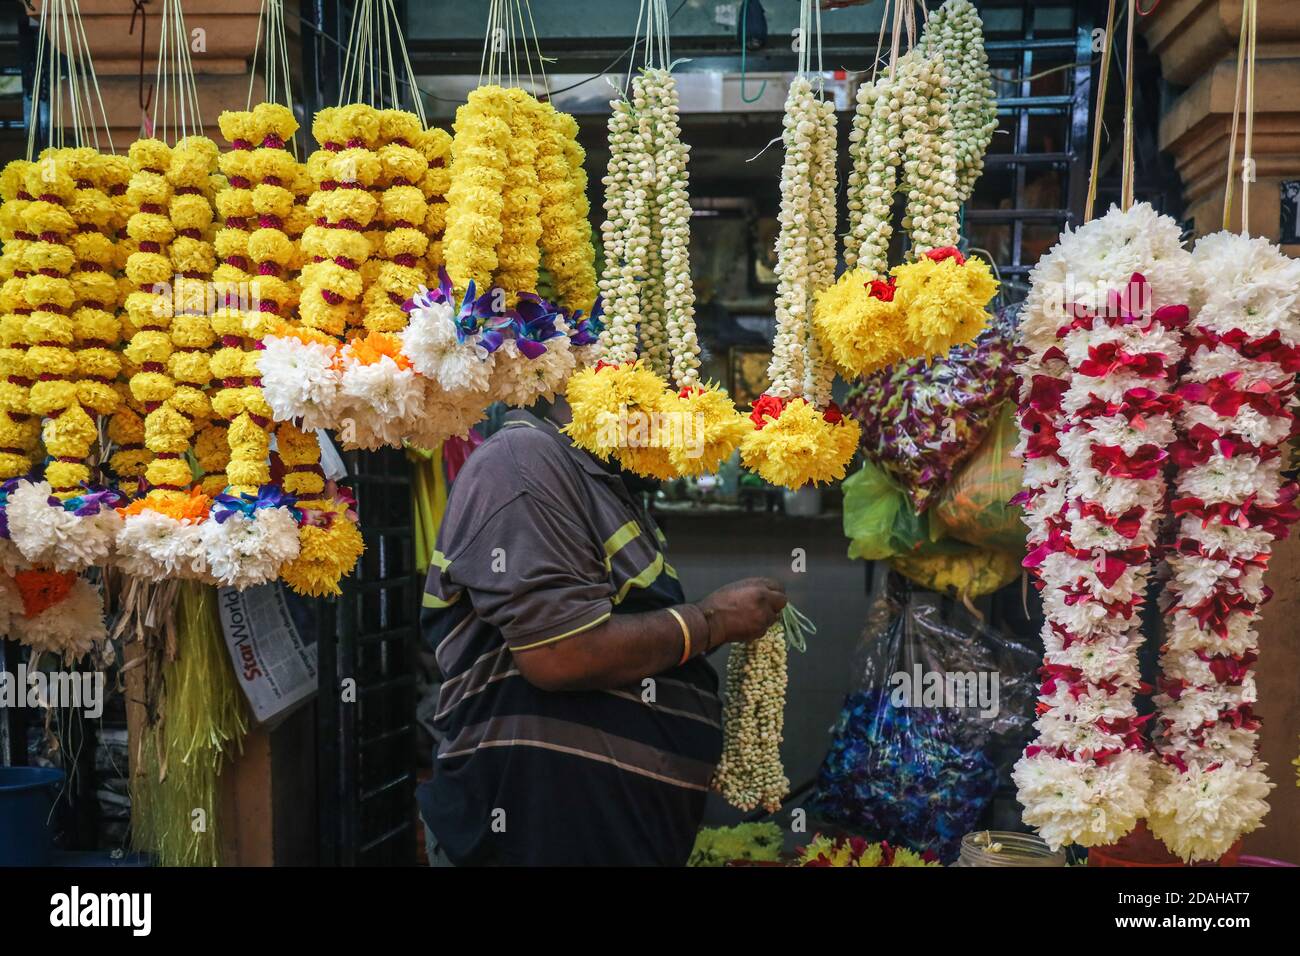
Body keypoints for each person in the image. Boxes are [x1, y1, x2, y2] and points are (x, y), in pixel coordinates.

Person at [417, 400, 787, 866]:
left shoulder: (600, 483)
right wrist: (712, 621)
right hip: (535, 833)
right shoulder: (523, 459)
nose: (669, 410)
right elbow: (559, 653)